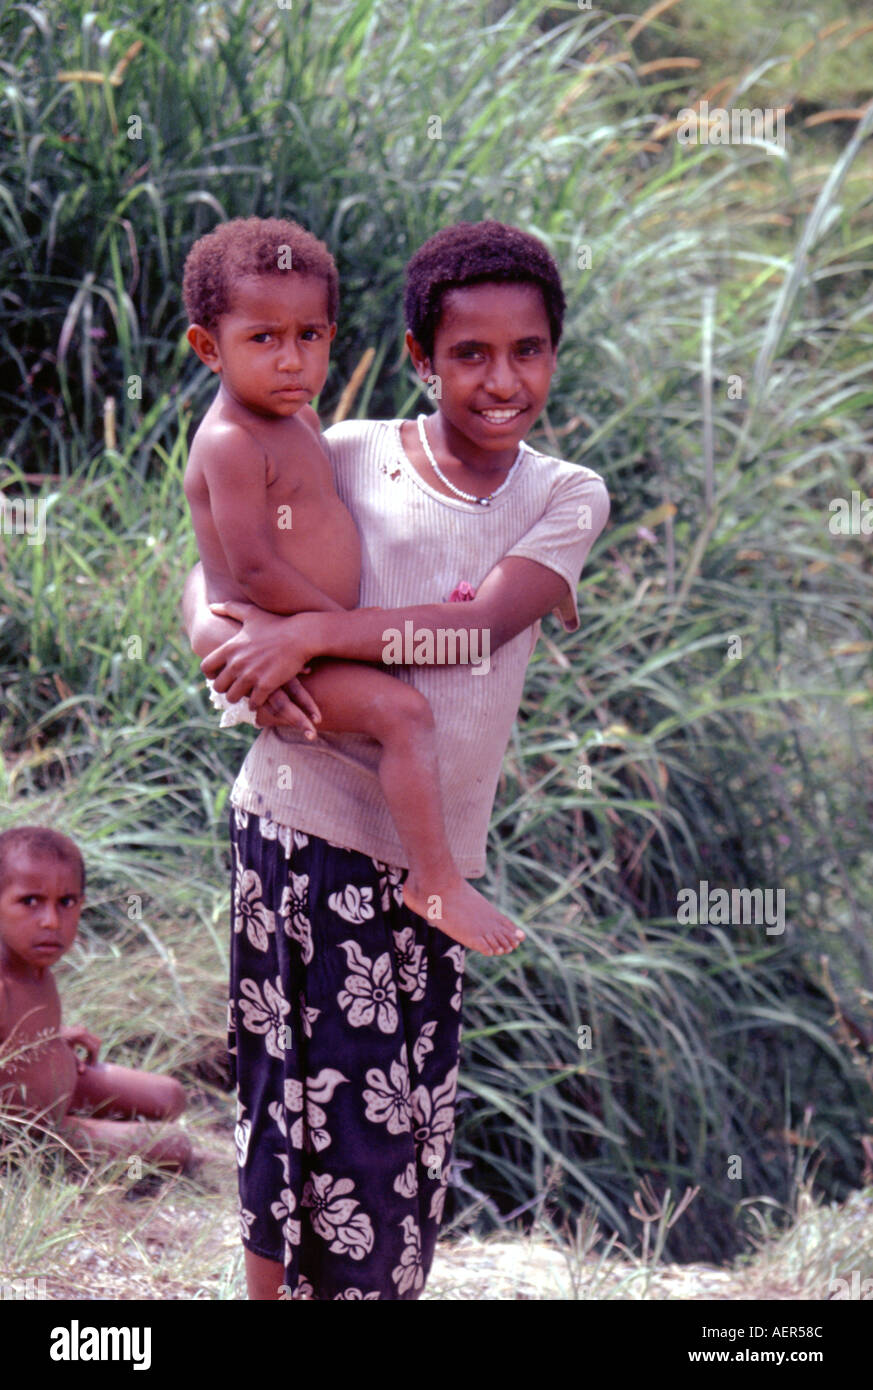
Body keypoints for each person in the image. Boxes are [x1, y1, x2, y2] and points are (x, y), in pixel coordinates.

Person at [183, 219, 610, 1300]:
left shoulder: (563, 496)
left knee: (402, 1118)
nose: (501, 378)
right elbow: (213, 564)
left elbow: (470, 633)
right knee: (294, 1106)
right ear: (421, 358)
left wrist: (310, 634)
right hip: (302, 823)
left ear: (556, 356)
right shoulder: (342, 449)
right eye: (469, 353)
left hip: (427, 862)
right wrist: (224, 642)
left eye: (529, 352)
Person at [182, 216, 522, 958]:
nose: (291, 360)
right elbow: (252, 569)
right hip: (277, 646)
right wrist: (344, 628)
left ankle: (425, 871)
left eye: (310, 336)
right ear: (208, 347)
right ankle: (433, 879)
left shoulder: (299, 420)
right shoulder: (232, 441)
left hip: (301, 641)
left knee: (400, 712)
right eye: (263, 339)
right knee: (402, 711)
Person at [0, 826, 192, 1171]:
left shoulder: (34, 964)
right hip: (39, 1133)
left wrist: (52, 1040)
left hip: (64, 1086)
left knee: (171, 1096)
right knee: (174, 1145)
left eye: (66, 902)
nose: (51, 921)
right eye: (30, 901)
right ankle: (65, 1148)